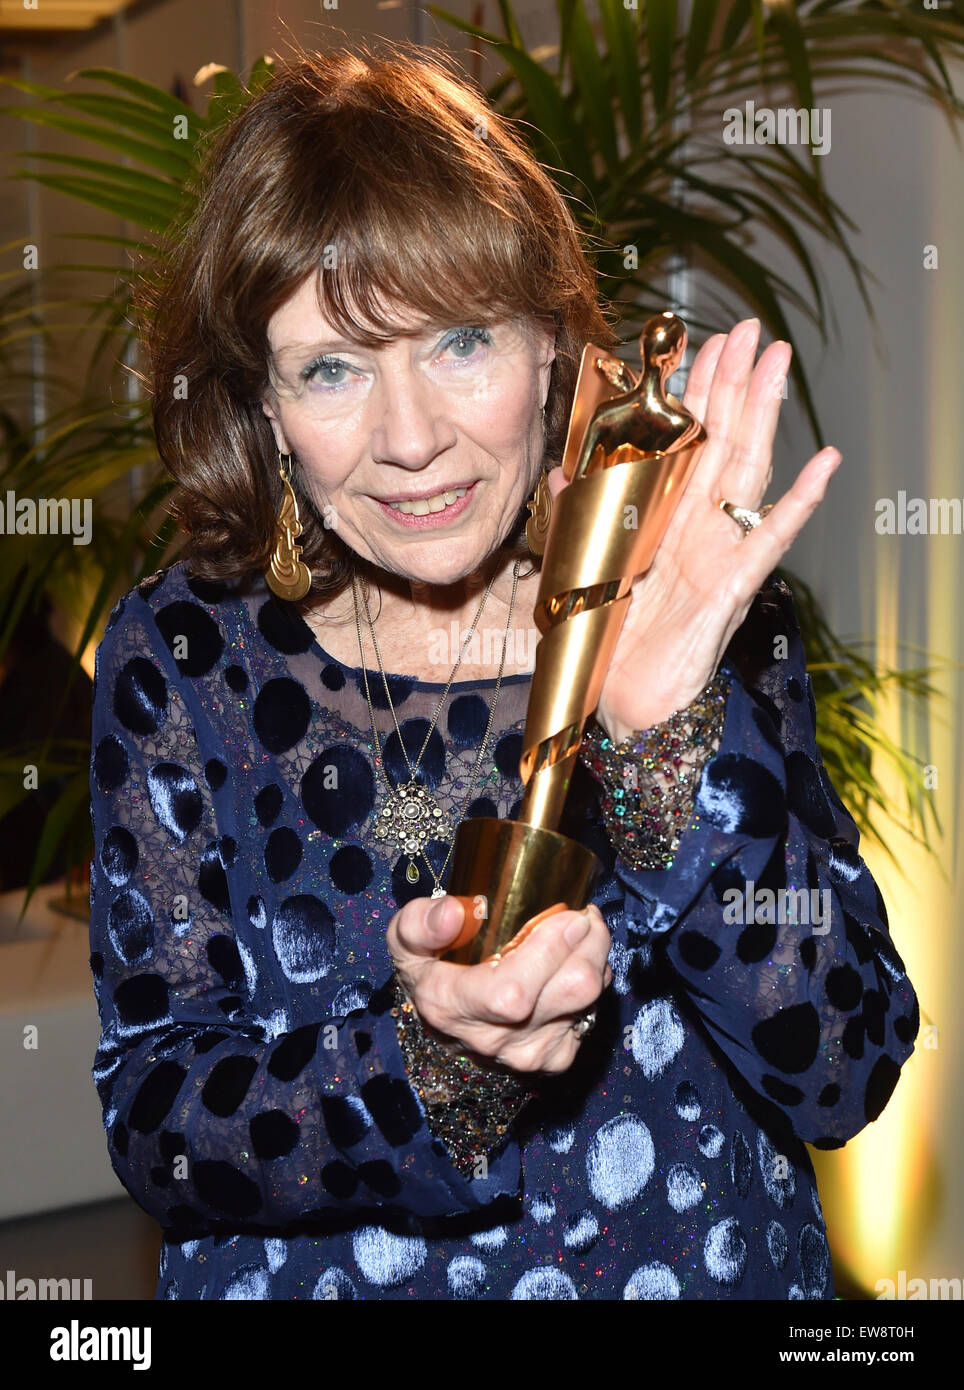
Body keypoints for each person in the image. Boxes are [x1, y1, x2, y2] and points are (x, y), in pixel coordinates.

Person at [87, 43, 918, 1301]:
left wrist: (662, 740)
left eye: (460, 340)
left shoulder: (691, 605)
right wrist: (425, 1068)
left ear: (550, 346)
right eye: (332, 368)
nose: (412, 439)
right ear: (262, 405)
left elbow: (845, 1070)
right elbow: (157, 1119)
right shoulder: (186, 655)